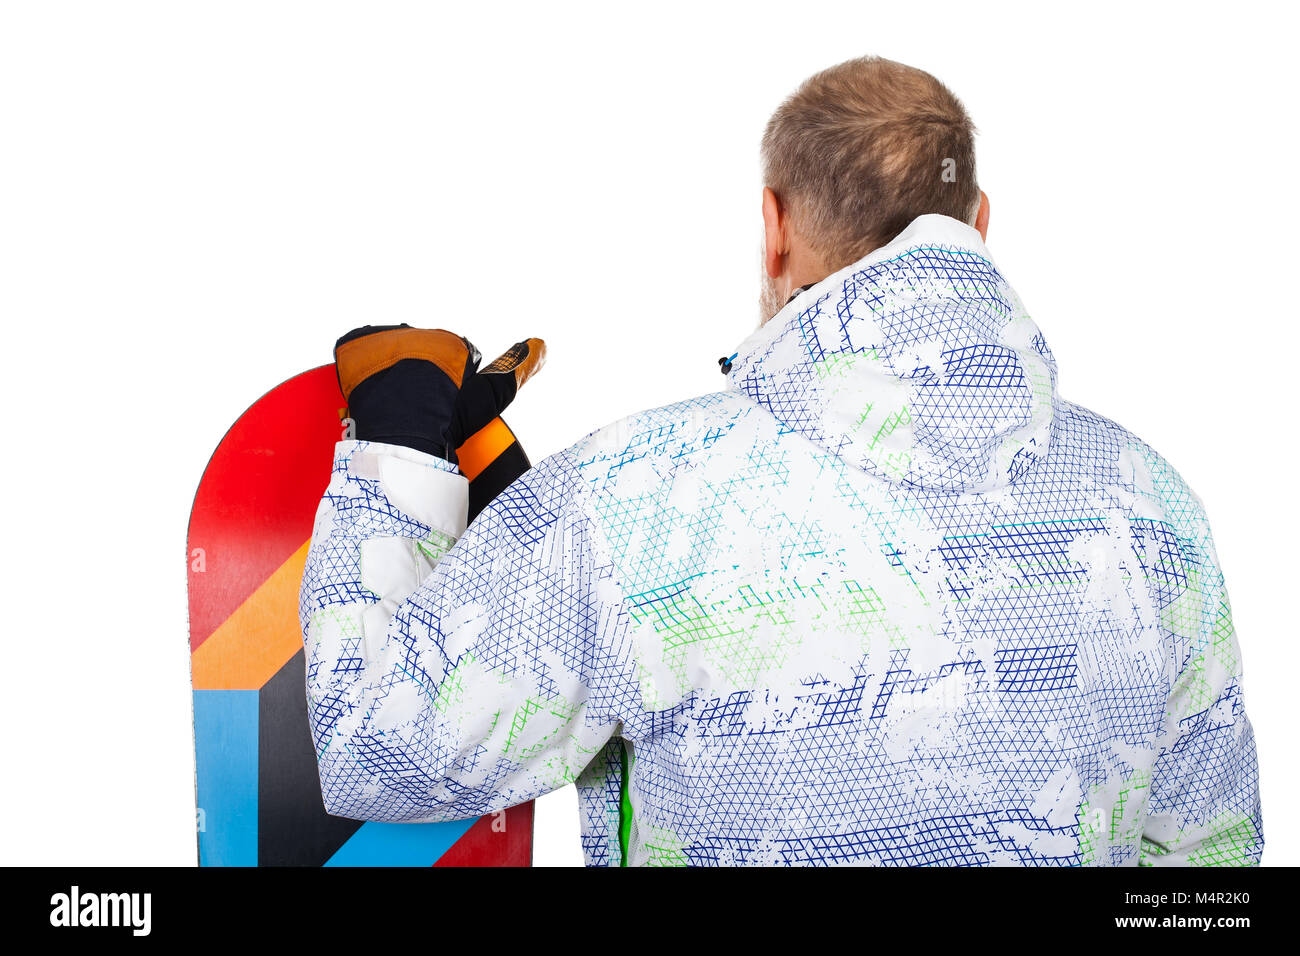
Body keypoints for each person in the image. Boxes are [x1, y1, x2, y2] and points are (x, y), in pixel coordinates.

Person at [297, 55, 1263, 867]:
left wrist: (401, 444)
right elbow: (1208, 869)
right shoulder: (1153, 508)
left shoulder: (630, 501)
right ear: (979, 225)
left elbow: (375, 748)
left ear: (773, 227)